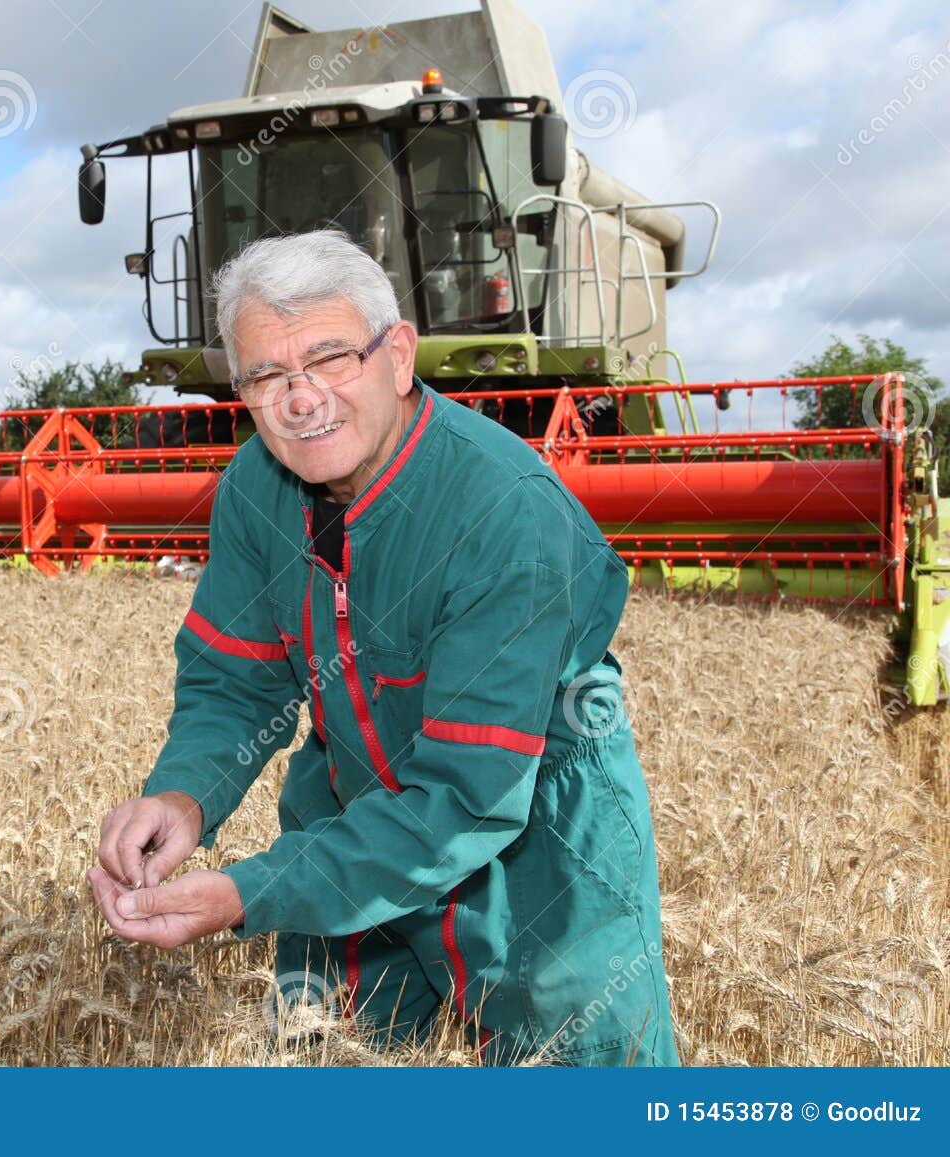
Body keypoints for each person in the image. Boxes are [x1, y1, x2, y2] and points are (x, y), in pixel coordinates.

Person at [86, 229, 680, 1066]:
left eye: (330, 358)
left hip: (533, 838)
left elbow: (465, 798)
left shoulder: (505, 512)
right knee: (332, 1058)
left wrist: (248, 892)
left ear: (398, 355)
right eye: (266, 375)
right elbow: (233, 682)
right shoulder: (258, 488)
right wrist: (185, 796)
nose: (301, 398)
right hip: (349, 815)